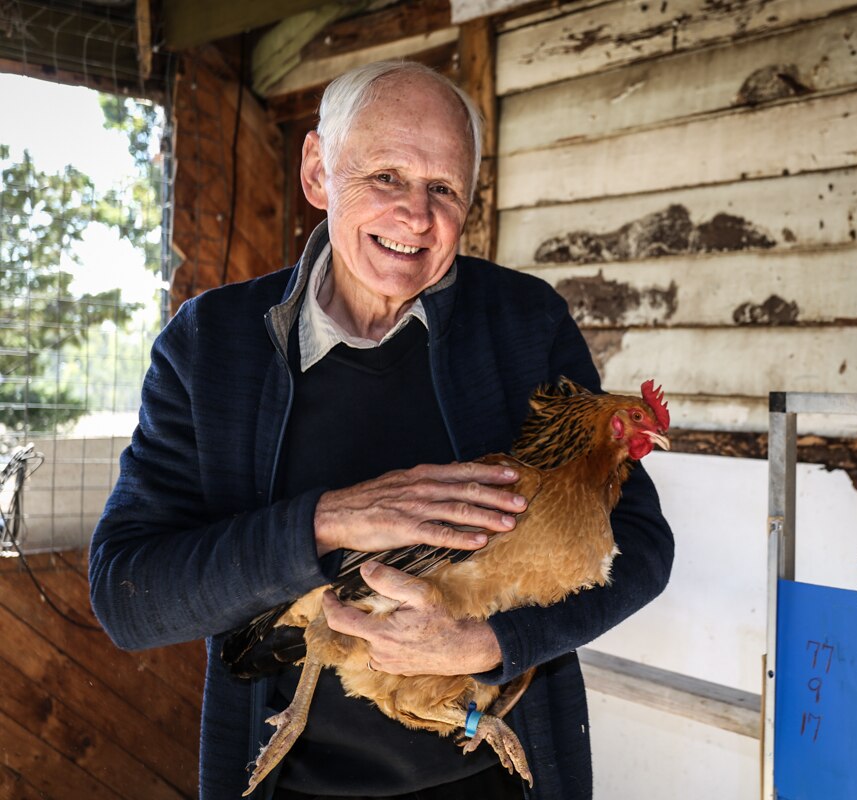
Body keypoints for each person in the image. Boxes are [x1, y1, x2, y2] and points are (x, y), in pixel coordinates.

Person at [89, 59, 673, 800]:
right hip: (289, 786)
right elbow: (126, 597)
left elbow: (643, 548)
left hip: (495, 777)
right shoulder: (210, 347)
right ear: (317, 173)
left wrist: (490, 641)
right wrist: (329, 521)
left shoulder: (524, 325)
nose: (416, 216)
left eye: (443, 189)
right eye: (386, 177)